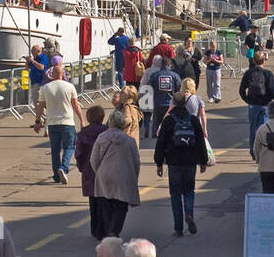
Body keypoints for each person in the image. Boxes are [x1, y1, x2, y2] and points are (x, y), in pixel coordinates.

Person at [154, 93, 207, 236]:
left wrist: (159, 162)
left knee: (175, 194)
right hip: (190, 161)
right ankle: (189, 214)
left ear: (174, 103)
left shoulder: (169, 120)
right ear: (185, 104)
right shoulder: (194, 120)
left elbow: (161, 142)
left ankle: (178, 228)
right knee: (189, 191)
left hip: (174, 161)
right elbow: (201, 141)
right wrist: (203, 161)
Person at [88, 109, 141, 238]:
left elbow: (94, 160)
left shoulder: (102, 137)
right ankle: (114, 230)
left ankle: (108, 231)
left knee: (105, 205)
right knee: (121, 207)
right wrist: (134, 176)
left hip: (104, 175)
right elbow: (136, 162)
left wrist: (99, 173)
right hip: (123, 177)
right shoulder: (129, 140)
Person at [33, 62, 85, 184]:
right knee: (69, 147)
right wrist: (82, 120)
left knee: (55, 150)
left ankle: (56, 176)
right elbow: (75, 105)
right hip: (67, 122)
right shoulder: (70, 87)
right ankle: (63, 167)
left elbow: (40, 106)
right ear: (63, 74)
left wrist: (37, 121)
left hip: (52, 123)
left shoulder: (45, 88)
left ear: (52, 75)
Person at [74, 109, 109, 237]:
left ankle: (95, 229)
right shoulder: (107, 131)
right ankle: (104, 228)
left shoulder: (83, 133)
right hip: (105, 168)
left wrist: (81, 167)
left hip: (89, 169)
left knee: (93, 200)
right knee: (104, 200)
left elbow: (79, 153)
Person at [239, 49, 274, 157]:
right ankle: (265, 151)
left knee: (253, 129)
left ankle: (253, 151)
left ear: (253, 61)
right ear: (264, 61)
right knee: (265, 128)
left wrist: (248, 100)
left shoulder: (248, 73)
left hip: (253, 105)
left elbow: (241, 90)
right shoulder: (268, 74)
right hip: (265, 105)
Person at [150, 55, 182, 136]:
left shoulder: (155, 75)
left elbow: (150, 87)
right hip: (171, 103)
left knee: (156, 121)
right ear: (170, 65)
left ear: (161, 64)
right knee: (171, 121)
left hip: (158, 102)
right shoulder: (175, 75)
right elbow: (179, 87)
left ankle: (156, 135)